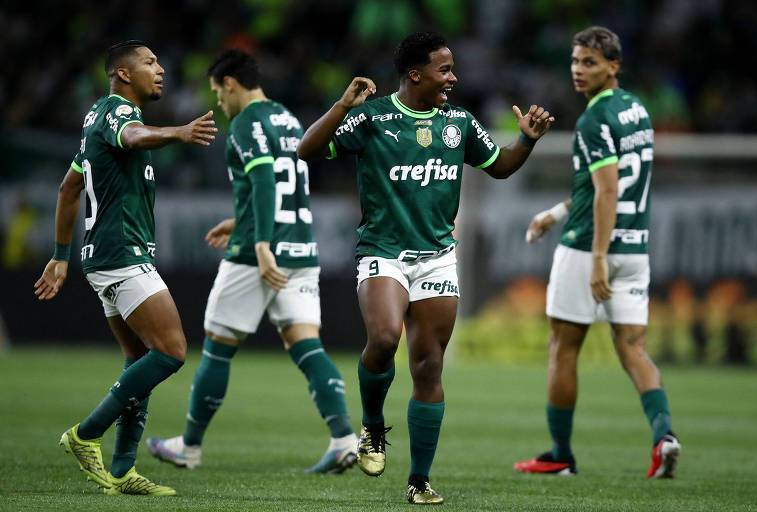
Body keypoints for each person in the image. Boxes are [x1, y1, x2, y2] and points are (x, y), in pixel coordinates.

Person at [298, 32, 554, 504]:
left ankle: (419, 480)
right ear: (415, 74)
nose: (453, 78)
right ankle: (373, 426)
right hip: (383, 251)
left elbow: (499, 167)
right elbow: (306, 151)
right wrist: (341, 106)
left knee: (428, 367)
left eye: (453, 69)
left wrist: (527, 141)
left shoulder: (459, 122)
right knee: (383, 339)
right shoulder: (372, 119)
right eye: (444, 70)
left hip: (437, 255)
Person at [145, 49, 358, 474]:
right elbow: (283, 185)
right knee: (307, 345)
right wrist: (241, 217)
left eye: (217, 94)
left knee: (218, 349)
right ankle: (343, 439)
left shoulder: (245, 123)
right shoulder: (287, 118)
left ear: (230, 84)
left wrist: (259, 241)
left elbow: (263, 178)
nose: (219, 105)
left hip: (257, 253)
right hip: (300, 246)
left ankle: (188, 446)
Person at [33, 40, 217, 495]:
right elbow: (133, 137)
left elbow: (68, 189)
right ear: (123, 74)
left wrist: (59, 256)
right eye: (150, 62)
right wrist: (177, 132)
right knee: (172, 351)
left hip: (104, 256)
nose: (161, 69)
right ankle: (86, 433)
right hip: (122, 253)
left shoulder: (94, 122)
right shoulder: (117, 114)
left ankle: (121, 471)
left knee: (140, 361)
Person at [514, 26, 681, 478]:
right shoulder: (637, 111)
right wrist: (556, 211)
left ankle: (560, 455)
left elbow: (607, 191)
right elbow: (609, 185)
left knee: (563, 349)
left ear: (613, 65)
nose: (578, 70)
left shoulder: (593, 120)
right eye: (574, 61)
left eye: (589, 62)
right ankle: (664, 436)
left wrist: (598, 258)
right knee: (634, 348)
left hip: (592, 249)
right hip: (635, 247)